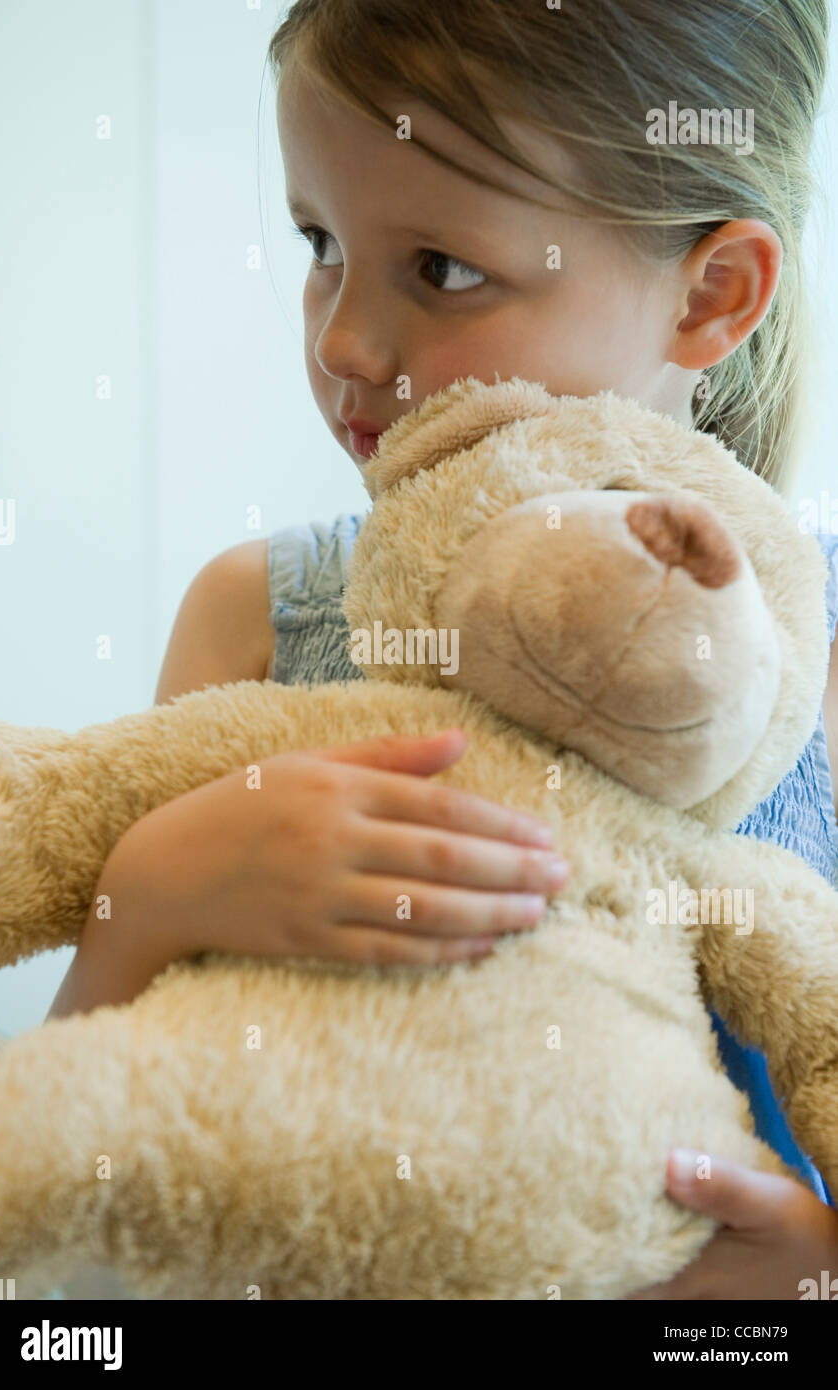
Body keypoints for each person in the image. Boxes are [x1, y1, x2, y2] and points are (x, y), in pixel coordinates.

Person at [49, 0, 838, 1298]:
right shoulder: (259, 614)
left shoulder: (819, 658)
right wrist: (155, 892)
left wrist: (815, 1276)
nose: (344, 341)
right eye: (320, 243)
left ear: (712, 293)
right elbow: (90, 1227)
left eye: (443, 270)